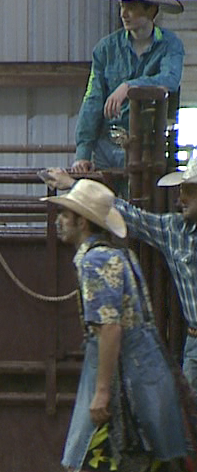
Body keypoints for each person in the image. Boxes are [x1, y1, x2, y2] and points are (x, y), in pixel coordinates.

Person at [34, 179, 197, 472]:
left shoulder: (95, 262)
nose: (59, 220)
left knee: (78, 459)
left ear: (83, 222)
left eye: (66, 214)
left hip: (122, 369)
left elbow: (109, 328)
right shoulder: (117, 256)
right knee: (153, 466)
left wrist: (103, 390)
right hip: (145, 365)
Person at [45, 165, 197, 390]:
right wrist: (76, 188)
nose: (180, 198)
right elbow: (131, 216)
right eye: (181, 190)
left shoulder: (96, 259)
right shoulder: (175, 230)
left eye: (189, 191)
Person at [73, 0, 184, 177]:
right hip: (107, 146)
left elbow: (171, 79)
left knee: (143, 194)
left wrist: (128, 86)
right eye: (122, 6)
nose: (124, 13)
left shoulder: (170, 45)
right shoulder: (106, 49)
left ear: (151, 10)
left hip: (148, 149)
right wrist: (83, 152)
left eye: (131, 7)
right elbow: (93, 98)